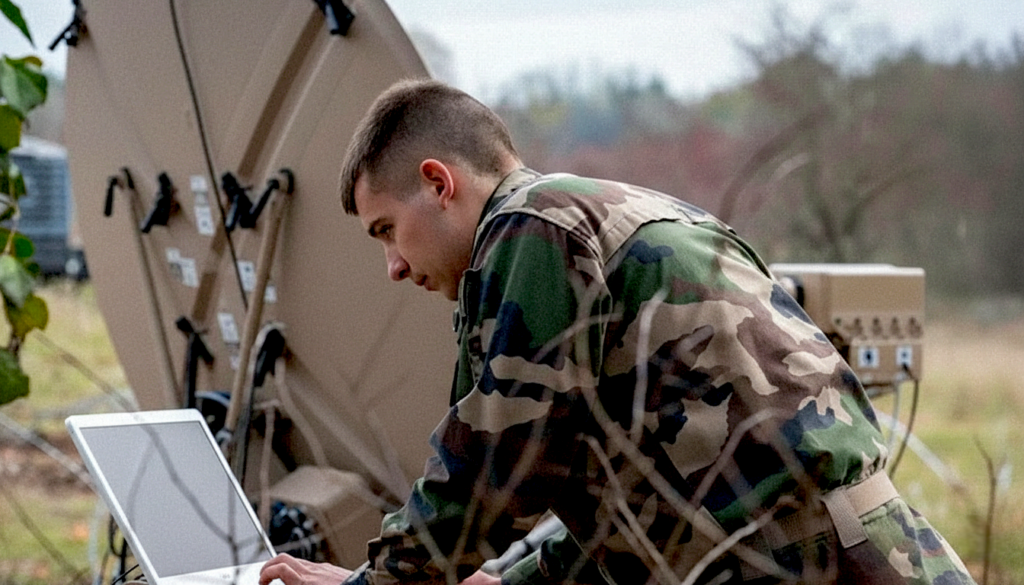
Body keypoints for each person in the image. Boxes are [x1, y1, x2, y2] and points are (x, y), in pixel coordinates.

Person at [260, 79, 974, 585]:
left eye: (387, 230)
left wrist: (372, 583)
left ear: (438, 183)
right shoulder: (625, 215)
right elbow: (639, 499)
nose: (391, 265)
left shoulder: (530, 231)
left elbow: (492, 471)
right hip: (866, 552)